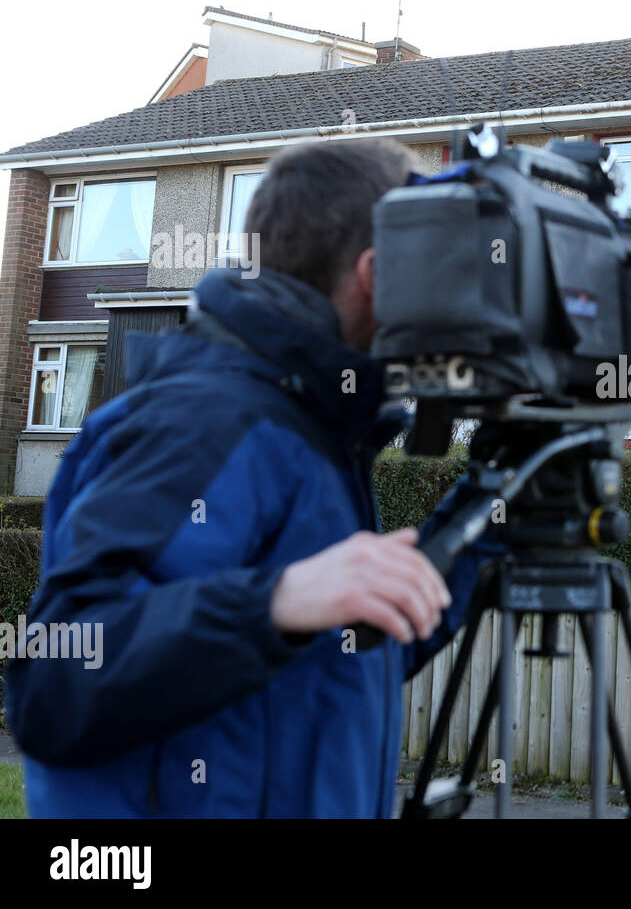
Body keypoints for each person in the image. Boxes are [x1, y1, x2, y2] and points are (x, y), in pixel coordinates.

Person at [5, 138, 491, 817]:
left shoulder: (314, 428)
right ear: (379, 274)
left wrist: (495, 520)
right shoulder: (204, 421)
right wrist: (275, 601)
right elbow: (51, 687)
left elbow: (333, 661)